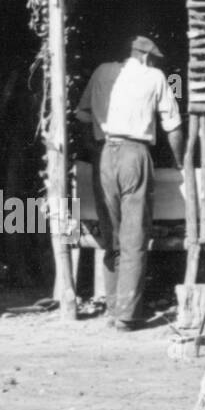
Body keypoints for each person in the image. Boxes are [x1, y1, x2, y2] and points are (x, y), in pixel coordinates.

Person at [75, 35, 184, 330]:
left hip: (104, 155)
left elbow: (82, 114)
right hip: (135, 153)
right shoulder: (156, 76)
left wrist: (95, 149)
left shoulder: (101, 71)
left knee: (110, 233)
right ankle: (127, 314)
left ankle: (113, 308)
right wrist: (180, 161)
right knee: (134, 234)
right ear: (148, 57)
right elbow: (172, 126)